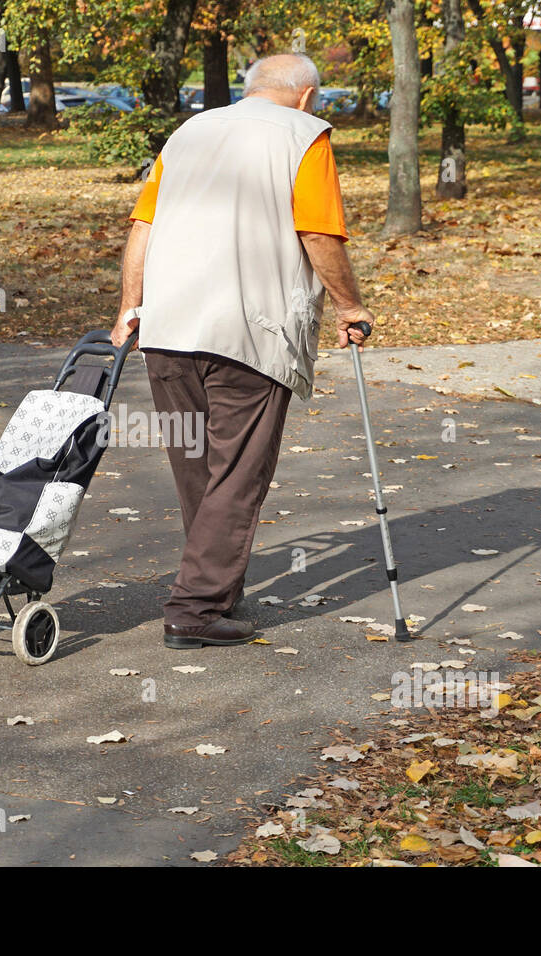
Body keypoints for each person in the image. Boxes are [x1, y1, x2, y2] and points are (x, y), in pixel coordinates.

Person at [110, 53, 374, 650]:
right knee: (237, 470)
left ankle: (212, 589)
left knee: (196, 465)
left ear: (249, 89)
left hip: (168, 328)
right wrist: (350, 306)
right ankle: (197, 609)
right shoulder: (305, 136)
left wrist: (129, 307)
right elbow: (317, 234)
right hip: (247, 332)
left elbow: (143, 227)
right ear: (307, 96)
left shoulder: (190, 131)